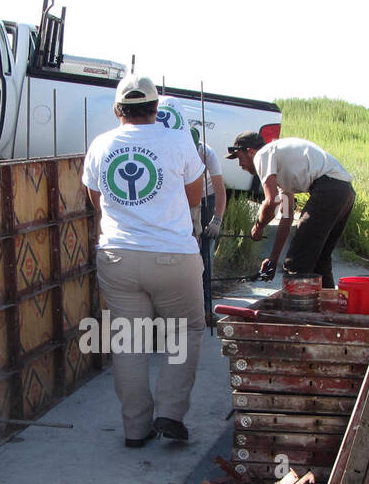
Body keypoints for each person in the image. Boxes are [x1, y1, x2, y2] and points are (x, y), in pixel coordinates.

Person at [83, 74, 206, 446]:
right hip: (173, 256)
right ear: (156, 108)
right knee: (184, 331)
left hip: (117, 256)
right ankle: (169, 413)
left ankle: (135, 430)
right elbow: (195, 197)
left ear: (117, 110)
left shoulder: (101, 144)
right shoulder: (177, 140)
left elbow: (96, 199)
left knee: (129, 340)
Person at [228, 132, 355, 289]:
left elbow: (271, 201)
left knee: (297, 261)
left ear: (250, 151)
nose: (240, 165)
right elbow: (286, 219)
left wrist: (259, 226)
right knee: (319, 259)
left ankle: (295, 309)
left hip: (328, 189)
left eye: (239, 157)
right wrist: (273, 260)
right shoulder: (282, 169)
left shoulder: (263, 155)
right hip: (344, 191)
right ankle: (328, 308)